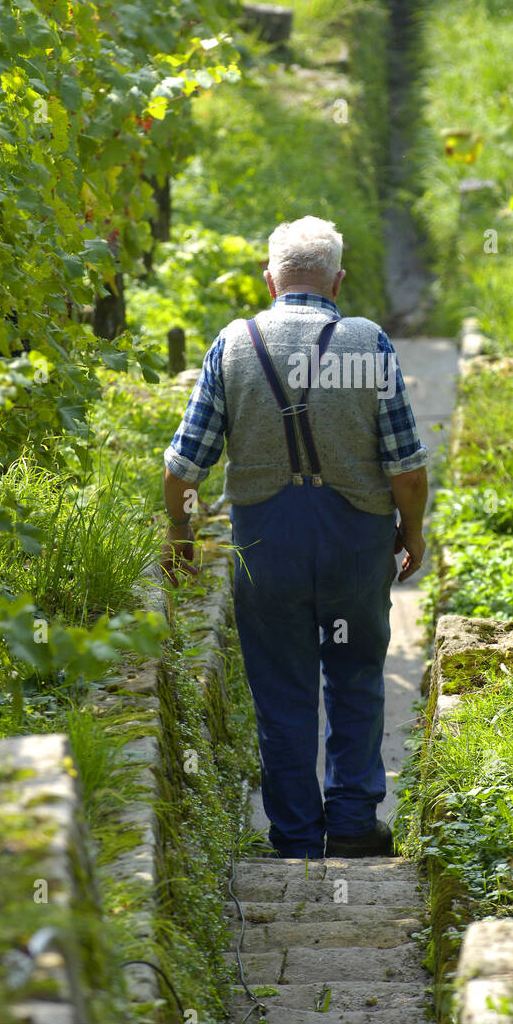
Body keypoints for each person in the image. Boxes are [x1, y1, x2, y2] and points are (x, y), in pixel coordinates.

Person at [162, 215, 428, 859]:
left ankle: (296, 836)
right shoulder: (367, 343)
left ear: (269, 277)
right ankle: (355, 822)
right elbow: (407, 465)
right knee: (356, 673)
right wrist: (410, 533)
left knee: (281, 687)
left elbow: (183, 468)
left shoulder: (234, 345)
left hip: (266, 542)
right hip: (355, 539)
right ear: (338, 280)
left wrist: (181, 534)